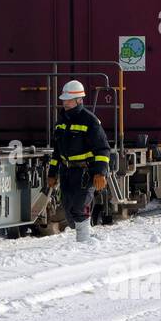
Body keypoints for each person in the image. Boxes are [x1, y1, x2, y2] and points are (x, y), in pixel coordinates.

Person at [45, 80, 111, 234]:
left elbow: (103, 149)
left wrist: (100, 173)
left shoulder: (90, 121)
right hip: (67, 173)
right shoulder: (61, 122)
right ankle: (88, 238)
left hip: (84, 173)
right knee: (69, 211)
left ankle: (85, 243)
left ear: (79, 100)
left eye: (68, 100)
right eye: (64, 100)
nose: (65, 103)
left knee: (80, 208)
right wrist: (52, 173)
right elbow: (57, 152)